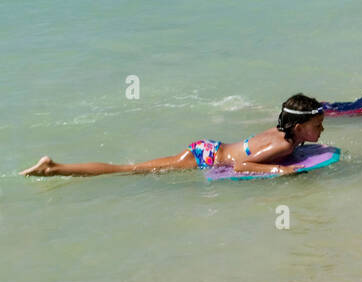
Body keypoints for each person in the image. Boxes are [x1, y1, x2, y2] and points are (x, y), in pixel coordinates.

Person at [21, 95, 326, 177]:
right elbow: (241, 166)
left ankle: (55, 167)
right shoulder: (283, 144)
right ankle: (54, 168)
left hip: (210, 147)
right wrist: (282, 170)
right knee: (128, 170)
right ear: (299, 128)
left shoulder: (283, 132)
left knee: (133, 168)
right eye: (318, 125)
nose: (322, 130)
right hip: (206, 159)